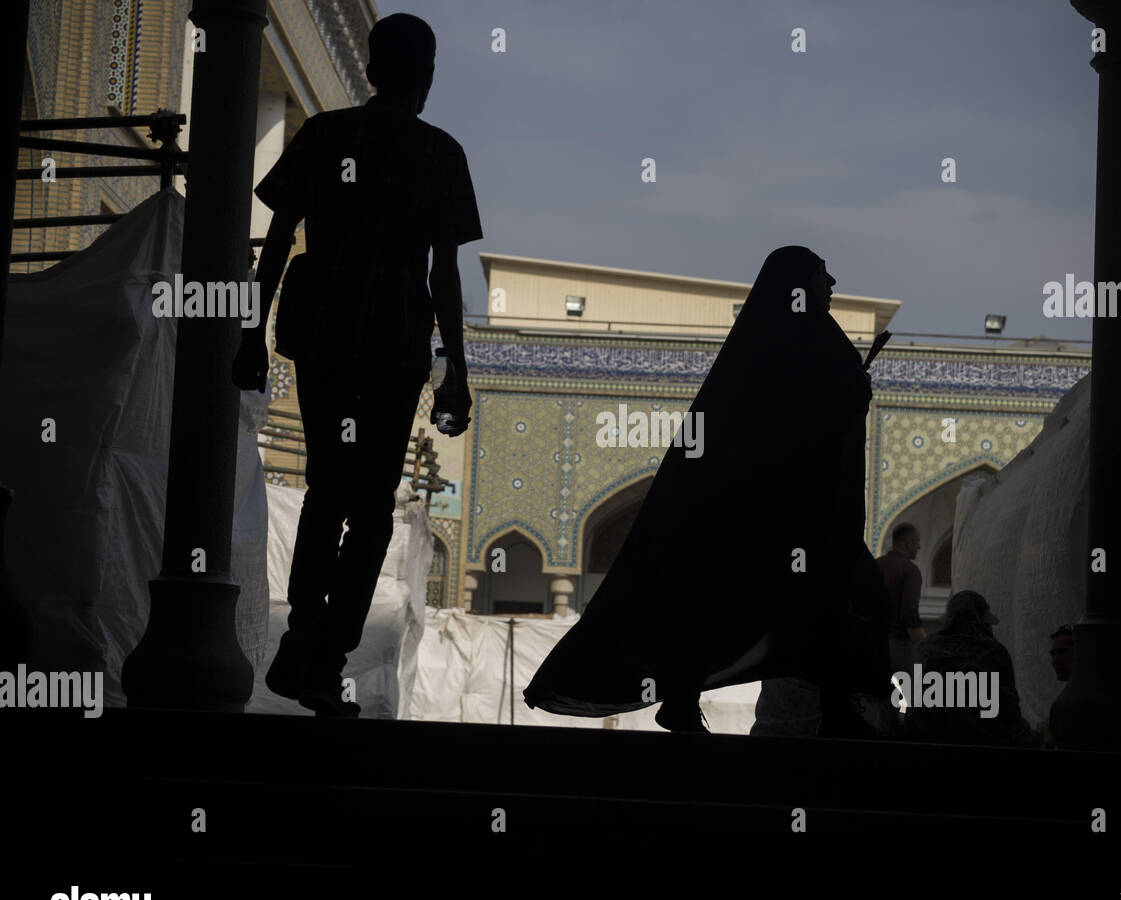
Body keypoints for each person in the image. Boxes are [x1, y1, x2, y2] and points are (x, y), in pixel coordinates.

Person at [522, 246, 893, 736]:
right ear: (798, 285)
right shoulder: (773, 345)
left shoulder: (812, 338)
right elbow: (763, 428)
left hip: (809, 509)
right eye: (822, 277)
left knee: (837, 595)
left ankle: (835, 705)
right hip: (767, 509)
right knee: (734, 599)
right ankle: (686, 698)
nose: (833, 284)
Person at [232, 12, 482, 716]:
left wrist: (251, 335)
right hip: (394, 345)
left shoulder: (325, 136)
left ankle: (309, 640)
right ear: (425, 79)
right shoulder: (440, 154)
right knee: (370, 505)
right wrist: (454, 368)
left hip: (325, 337)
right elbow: (445, 276)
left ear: (371, 70)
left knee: (328, 491)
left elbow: (277, 240)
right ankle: (322, 652)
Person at [903, 590, 1040, 748]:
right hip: (985, 745)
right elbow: (1009, 711)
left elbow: (916, 713)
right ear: (983, 622)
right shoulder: (994, 652)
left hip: (931, 744)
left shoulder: (928, 649)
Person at [878, 522, 925, 675]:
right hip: (898, 648)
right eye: (917, 541)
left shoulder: (875, 565)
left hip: (870, 644)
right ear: (908, 543)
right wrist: (925, 645)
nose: (919, 546)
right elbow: (909, 615)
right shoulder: (910, 570)